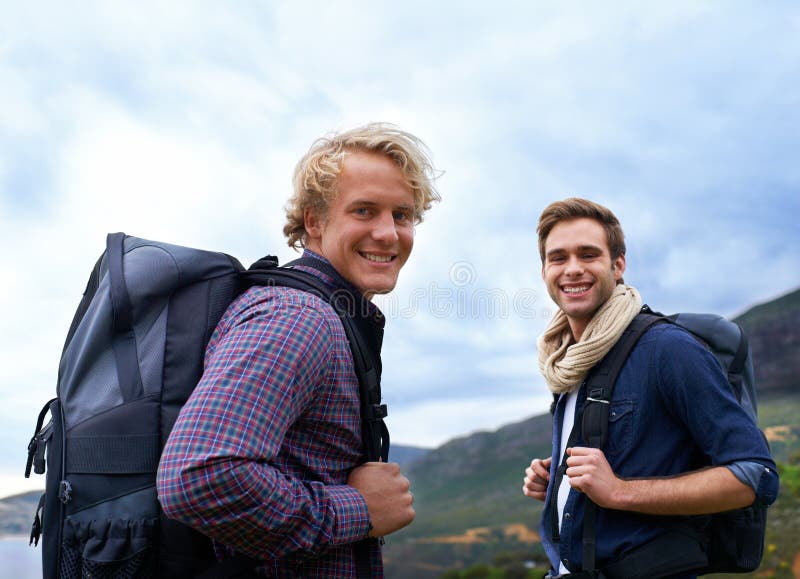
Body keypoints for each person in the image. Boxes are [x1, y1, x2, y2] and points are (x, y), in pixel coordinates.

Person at [157, 123, 440, 577]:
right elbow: (198, 478)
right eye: (364, 210)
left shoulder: (326, 314)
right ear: (314, 220)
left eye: (402, 215)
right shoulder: (298, 317)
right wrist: (359, 509)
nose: (389, 234)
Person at [522, 198, 778, 578]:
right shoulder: (569, 362)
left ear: (618, 265)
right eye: (558, 258)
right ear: (544, 269)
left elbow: (755, 477)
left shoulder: (667, 350)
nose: (572, 269)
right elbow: (633, 449)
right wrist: (558, 478)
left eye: (588, 254)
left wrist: (619, 490)